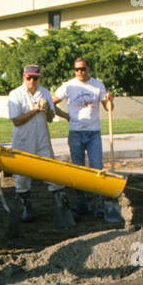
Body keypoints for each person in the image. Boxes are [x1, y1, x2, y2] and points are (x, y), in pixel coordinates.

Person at [52, 57, 122, 221]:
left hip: (94, 133)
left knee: (97, 167)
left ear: (88, 69)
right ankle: (81, 204)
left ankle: (99, 204)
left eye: (83, 69)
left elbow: (107, 107)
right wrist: (65, 116)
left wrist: (110, 101)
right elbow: (51, 102)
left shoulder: (98, 85)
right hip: (75, 132)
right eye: (77, 69)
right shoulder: (69, 86)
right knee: (79, 169)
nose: (80, 72)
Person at [6, 64, 60, 222]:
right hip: (22, 141)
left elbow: (50, 119)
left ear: (39, 78)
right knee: (22, 177)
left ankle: (60, 206)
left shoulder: (45, 93)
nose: (32, 81)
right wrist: (35, 109)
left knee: (52, 173)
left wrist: (48, 108)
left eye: (35, 78)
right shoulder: (15, 94)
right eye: (29, 78)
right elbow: (16, 121)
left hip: (42, 138)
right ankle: (26, 207)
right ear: (24, 77)